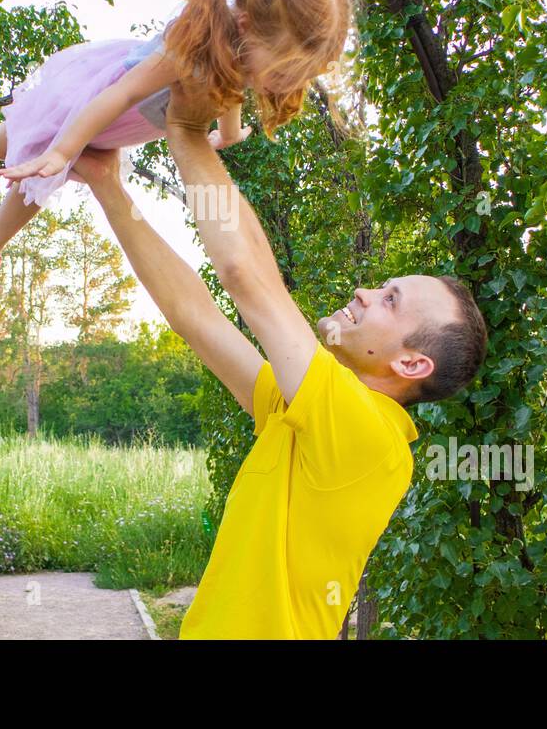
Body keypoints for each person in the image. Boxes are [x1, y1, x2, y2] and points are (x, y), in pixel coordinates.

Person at [62, 96, 488, 638]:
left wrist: (187, 128)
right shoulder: (307, 415)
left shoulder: (369, 441)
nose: (364, 292)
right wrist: (108, 185)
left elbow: (246, 275)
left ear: (411, 362)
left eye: (390, 300)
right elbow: (196, 317)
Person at [0, 0, 352, 311]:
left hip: (114, 129)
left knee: (36, 184)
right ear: (248, 27)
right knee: (8, 141)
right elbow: (118, 95)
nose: (283, 86)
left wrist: (228, 135)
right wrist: (64, 148)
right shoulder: (188, 51)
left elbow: (232, 93)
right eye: (284, 71)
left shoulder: (239, 49)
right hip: (89, 102)